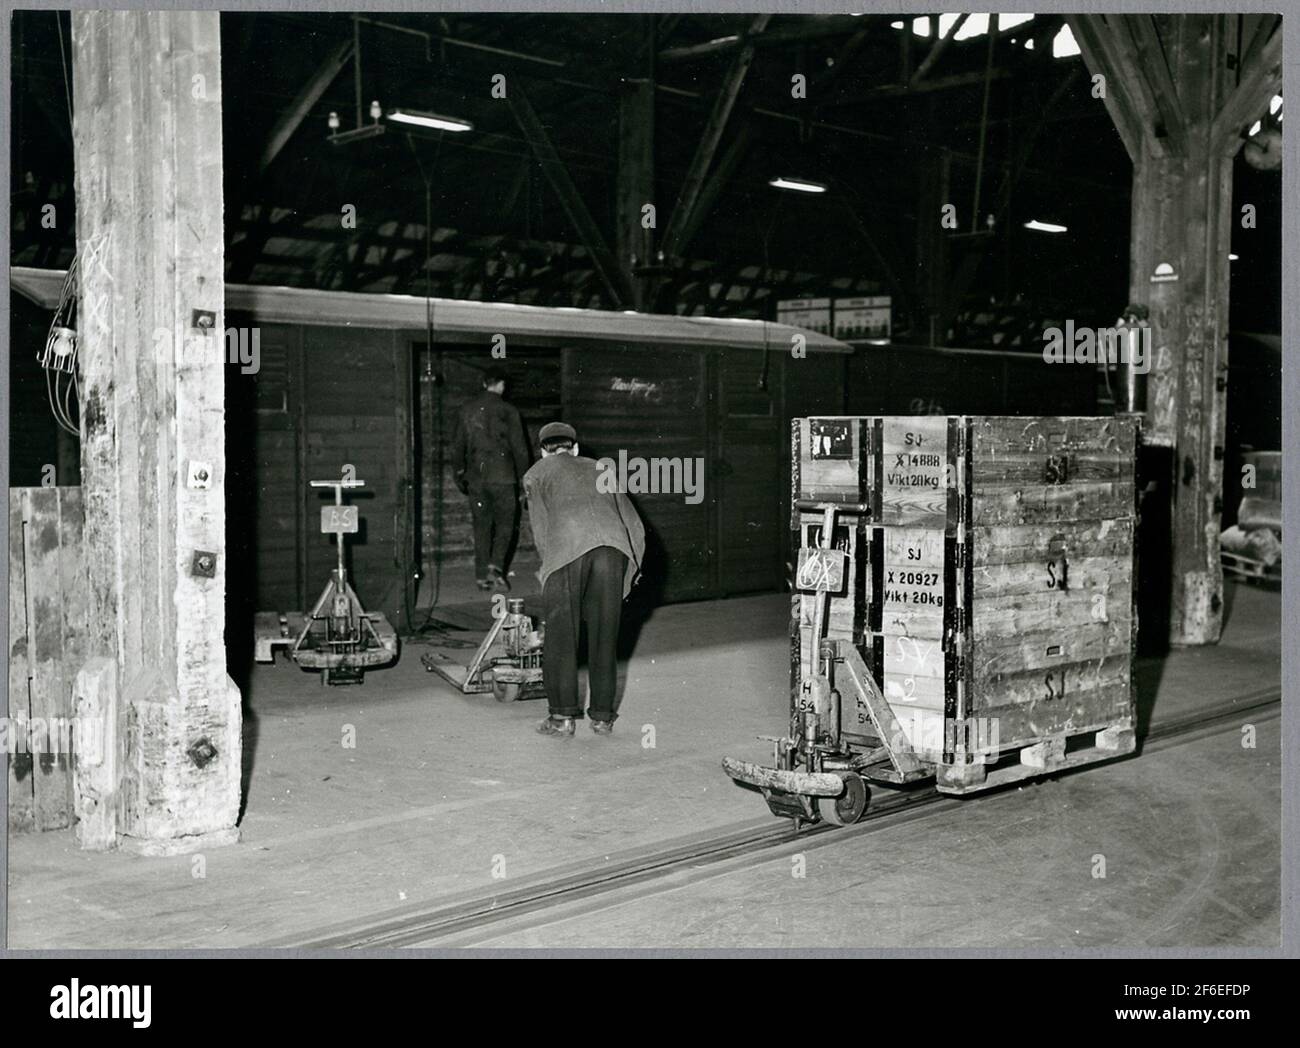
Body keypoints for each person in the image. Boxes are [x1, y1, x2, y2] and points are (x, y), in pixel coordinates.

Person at [523, 422, 645, 737]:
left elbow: (541, 529)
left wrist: (547, 568)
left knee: (562, 636)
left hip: (567, 549)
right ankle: (603, 718)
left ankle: (562, 718)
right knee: (605, 634)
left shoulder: (536, 473)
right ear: (574, 447)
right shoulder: (602, 468)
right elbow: (633, 524)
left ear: (543, 451)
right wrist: (631, 570)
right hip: (613, 550)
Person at [449, 365, 530, 590]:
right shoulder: (509, 411)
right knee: (506, 524)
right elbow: (520, 449)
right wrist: (524, 480)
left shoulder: (466, 410)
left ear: (484, 383)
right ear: (502, 385)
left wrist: (459, 473)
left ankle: (481, 576)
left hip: (476, 478)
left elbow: (457, 447)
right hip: (504, 478)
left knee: (481, 526)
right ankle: (496, 566)